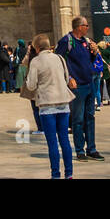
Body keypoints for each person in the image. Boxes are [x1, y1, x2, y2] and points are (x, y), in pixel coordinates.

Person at [22, 34, 75, 179]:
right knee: (64, 139)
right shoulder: (59, 58)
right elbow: (66, 78)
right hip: (63, 103)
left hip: (47, 105)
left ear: (37, 48)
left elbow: (31, 85)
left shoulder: (36, 61)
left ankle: (55, 174)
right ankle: (69, 173)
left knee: (52, 142)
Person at [55, 16, 103, 161]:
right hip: (77, 86)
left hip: (89, 84)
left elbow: (90, 61)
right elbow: (58, 61)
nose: (88, 28)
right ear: (78, 27)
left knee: (90, 117)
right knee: (78, 119)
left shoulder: (86, 42)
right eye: (86, 25)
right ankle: (79, 150)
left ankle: (92, 148)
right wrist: (68, 78)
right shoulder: (66, 41)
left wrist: (94, 52)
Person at [88, 40, 105, 110]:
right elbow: (101, 62)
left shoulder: (90, 54)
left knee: (92, 89)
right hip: (98, 72)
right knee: (97, 89)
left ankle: (93, 103)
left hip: (92, 72)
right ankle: (98, 104)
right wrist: (101, 71)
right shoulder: (98, 54)